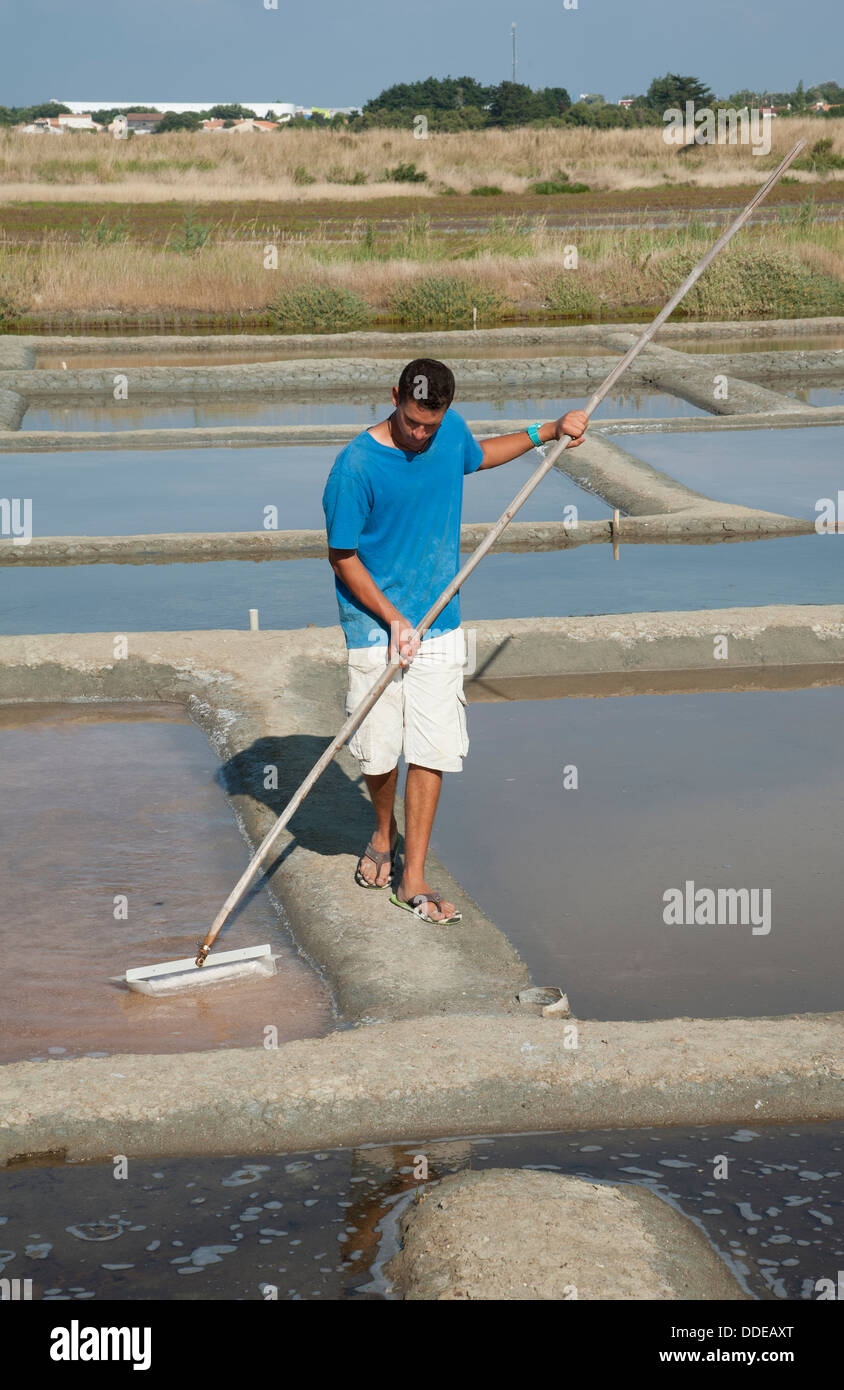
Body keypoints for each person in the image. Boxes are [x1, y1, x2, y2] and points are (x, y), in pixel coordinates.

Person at [321, 357, 588, 923]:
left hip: (440, 619)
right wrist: (393, 618)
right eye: (412, 421)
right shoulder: (355, 467)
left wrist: (550, 431)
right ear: (394, 396)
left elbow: (480, 455)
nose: (421, 435)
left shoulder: (449, 434)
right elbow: (342, 557)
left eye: (430, 426)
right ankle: (381, 832)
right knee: (376, 749)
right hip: (375, 622)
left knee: (432, 745)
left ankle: (411, 876)